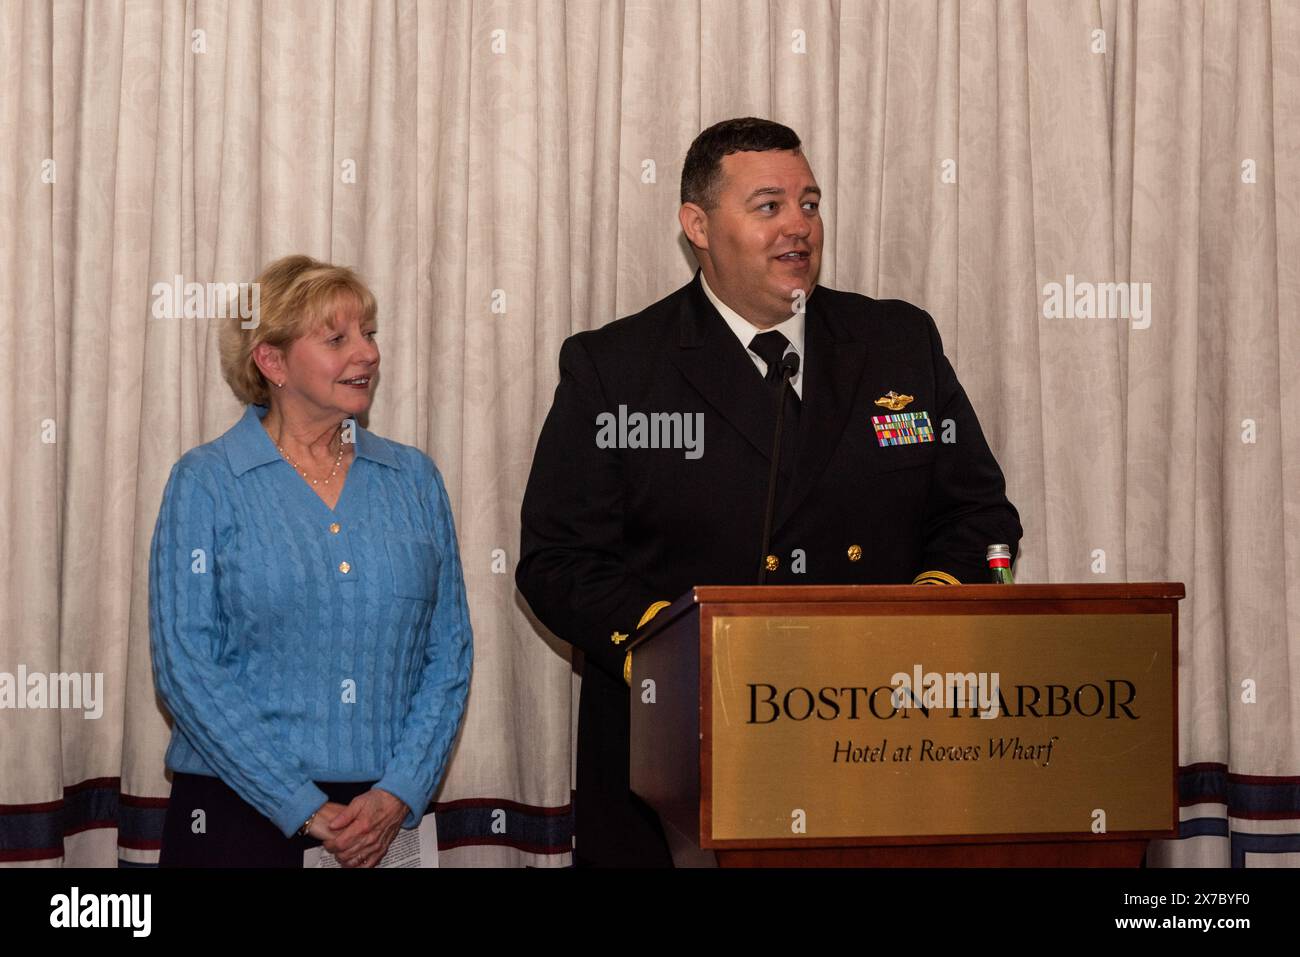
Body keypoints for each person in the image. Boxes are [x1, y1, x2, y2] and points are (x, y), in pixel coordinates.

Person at [516, 117, 1022, 867]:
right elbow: (557, 559)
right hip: (683, 768)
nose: (799, 227)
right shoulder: (618, 368)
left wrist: (928, 612)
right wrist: (666, 649)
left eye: (810, 204)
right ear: (697, 226)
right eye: (768, 206)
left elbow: (981, 517)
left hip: (877, 740)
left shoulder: (896, 342)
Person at [149, 255, 472, 867]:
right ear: (271, 362)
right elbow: (186, 665)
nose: (368, 353)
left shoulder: (414, 480)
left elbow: (449, 652)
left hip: (383, 821)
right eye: (337, 339)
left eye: (369, 333)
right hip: (234, 811)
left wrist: (399, 793)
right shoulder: (208, 481)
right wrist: (297, 803)